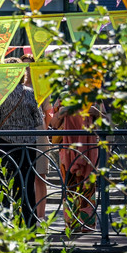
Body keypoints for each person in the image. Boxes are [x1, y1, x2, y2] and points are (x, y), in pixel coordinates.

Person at [0, 73, 45, 226]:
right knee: (25, 185)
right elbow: (39, 120)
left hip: (4, 145)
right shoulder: (31, 93)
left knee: (0, 185)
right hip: (27, 145)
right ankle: (26, 224)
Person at [49, 97, 101, 233]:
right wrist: (61, 112)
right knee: (69, 187)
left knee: (88, 186)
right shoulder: (62, 99)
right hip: (67, 152)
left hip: (88, 150)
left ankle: (87, 224)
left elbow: (105, 122)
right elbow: (53, 124)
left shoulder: (93, 97)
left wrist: (95, 112)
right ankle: (72, 224)